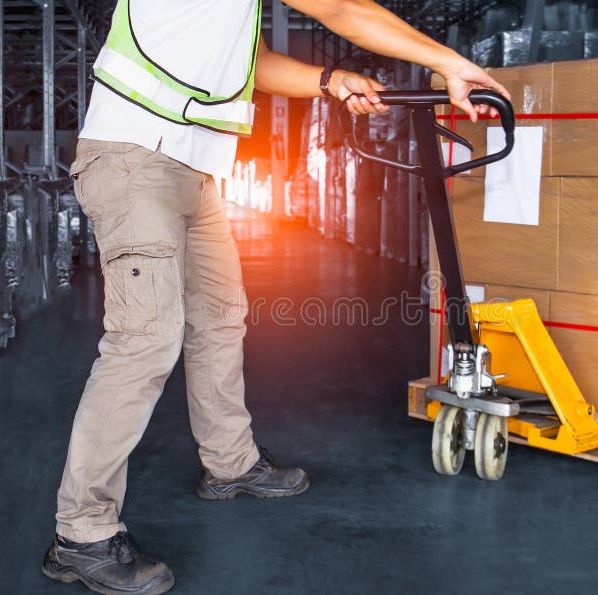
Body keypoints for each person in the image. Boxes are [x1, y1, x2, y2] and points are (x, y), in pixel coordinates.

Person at [41, 1, 511, 593]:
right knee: (145, 340)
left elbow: (252, 63)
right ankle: (80, 534)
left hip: (196, 168)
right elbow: (341, 7)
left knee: (219, 318)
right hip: (138, 155)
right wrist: (448, 61)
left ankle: (229, 466)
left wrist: (329, 81)